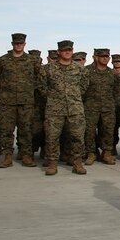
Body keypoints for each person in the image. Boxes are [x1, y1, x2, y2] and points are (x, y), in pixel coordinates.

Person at [0, 33, 39, 168]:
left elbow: (40, 78)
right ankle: (7, 156)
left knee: (26, 130)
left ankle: (26, 156)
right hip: (7, 103)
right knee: (6, 130)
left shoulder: (32, 61)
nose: (18, 45)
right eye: (16, 43)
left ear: (24, 44)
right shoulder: (2, 61)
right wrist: (2, 92)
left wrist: (30, 90)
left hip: (26, 102)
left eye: (21, 43)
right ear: (12, 44)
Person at [41, 40, 89, 175]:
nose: (67, 52)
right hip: (54, 110)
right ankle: (52, 164)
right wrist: (53, 98)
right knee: (52, 137)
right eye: (64, 50)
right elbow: (42, 87)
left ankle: (77, 163)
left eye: (70, 50)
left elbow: (84, 87)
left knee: (78, 137)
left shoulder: (80, 69)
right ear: (58, 52)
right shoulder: (48, 69)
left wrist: (74, 97)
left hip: (75, 109)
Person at [83, 48, 120, 165]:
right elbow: (82, 89)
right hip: (90, 107)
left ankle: (107, 153)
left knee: (108, 131)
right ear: (96, 57)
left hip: (108, 107)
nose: (105, 58)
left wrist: (112, 103)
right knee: (89, 131)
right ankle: (91, 153)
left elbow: (117, 91)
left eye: (107, 56)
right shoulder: (87, 71)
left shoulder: (112, 73)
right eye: (102, 56)